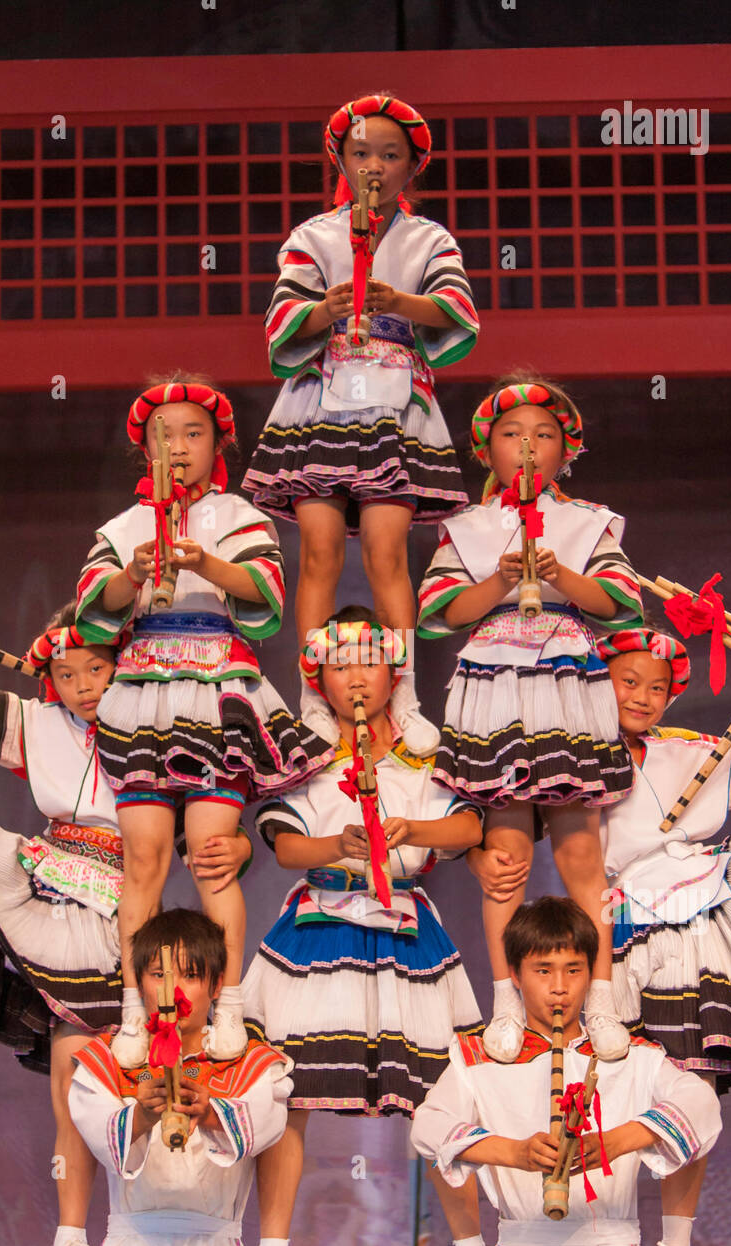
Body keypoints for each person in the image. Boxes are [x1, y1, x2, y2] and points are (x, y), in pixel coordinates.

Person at [0, 600, 250, 1246]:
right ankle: (69, 1235)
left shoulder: (161, 729)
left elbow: (211, 815)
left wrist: (241, 842)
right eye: (67, 673)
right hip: (41, 881)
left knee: (77, 1079)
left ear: (124, 666)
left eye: (96, 669)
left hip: (117, 917)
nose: (82, 686)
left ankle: (101, 1234)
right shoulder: (40, 724)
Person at [236, 606, 501, 1246]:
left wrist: (416, 827)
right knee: (286, 1090)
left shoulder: (424, 746)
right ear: (319, 676)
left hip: (407, 927)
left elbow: (470, 824)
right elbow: (284, 843)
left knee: (442, 1092)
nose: (356, 675)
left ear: (394, 672)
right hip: (320, 922)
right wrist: (339, 847)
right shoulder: (303, 749)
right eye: (341, 663)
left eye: (369, 661)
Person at [75, 374, 331, 1068]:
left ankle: (230, 1009)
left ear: (218, 442)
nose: (178, 447)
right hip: (143, 689)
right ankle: (135, 1011)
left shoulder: (239, 516)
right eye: (165, 435)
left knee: (216, 859)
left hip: (216, 687)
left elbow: (268, 597)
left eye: (193, 433)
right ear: (144, 449)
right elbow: (91, 609)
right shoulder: (122, 528)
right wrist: (132, 576)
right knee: (145, 862)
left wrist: (208, 563)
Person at [242, 93, 479, 755]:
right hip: (321, 400)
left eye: (390, 154)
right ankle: (310, 699)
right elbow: (281, 325)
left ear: (412, 166)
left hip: (396, 404)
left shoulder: (430, 239)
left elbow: (458, 315)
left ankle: (402, 696)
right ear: (341, 160)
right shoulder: (313, 237)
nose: (375, 164)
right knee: (318, 551)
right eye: (362, 152)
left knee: (385, 551)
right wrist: (325, 310)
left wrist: (398, 302)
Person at [418, 376, 642, 1064]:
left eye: (544, 435)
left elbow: (620, 604)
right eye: (513, 434)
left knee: (580, 854)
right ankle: (506, 1000)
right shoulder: (468, 527)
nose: (528, 446)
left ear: (565, 449)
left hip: (567, 685)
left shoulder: (590, 521)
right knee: (507, 861)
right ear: (488, 447)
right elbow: (439, 613)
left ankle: (602, 998)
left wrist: (560, 576)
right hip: (497, 686)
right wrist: (500, 581)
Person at [594, 624, 731, 1246]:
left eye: (658, 687)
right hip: (615, 930)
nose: (644, 697)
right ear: (601, 682)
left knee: (689, 1083)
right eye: (629, 682)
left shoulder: (691, 751)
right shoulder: (576, 757)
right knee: (614, 1089)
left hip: (694, 924)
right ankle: (611, 1242)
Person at [411, 896, 722, 1246]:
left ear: (590, 974)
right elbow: (428, 1125)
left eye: (573, 970)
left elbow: (701, 1106)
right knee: (444, 1144)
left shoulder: (633, 1056)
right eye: (543, 971)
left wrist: (616, 1141)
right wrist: (514, 1153)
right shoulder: (478, 1060)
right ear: (516, 975)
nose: (560, 987)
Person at [25, 908, 299, 1246]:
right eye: (160, 975)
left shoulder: (250, 1065)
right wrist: (140, 1115)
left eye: (191, 975)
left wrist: (209, 1114)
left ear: (217, 984)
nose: (175, 991)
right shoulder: (108, 1063)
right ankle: (69, 1241)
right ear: (141, 983)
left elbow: (268, 1122)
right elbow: (95, 1128)